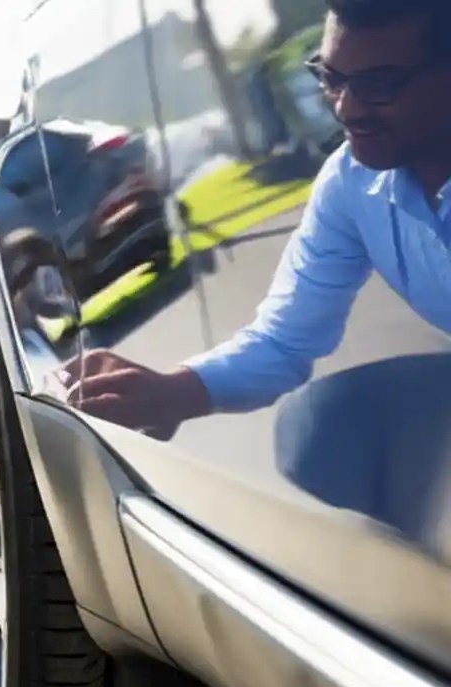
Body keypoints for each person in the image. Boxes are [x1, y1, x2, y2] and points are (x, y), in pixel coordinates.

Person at [63, 0, 451, 440]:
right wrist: (170, 393)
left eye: (379, 83)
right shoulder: (350, 185)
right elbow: (285, 340)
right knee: (315, 431)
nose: (346, 108)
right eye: (331, 79)